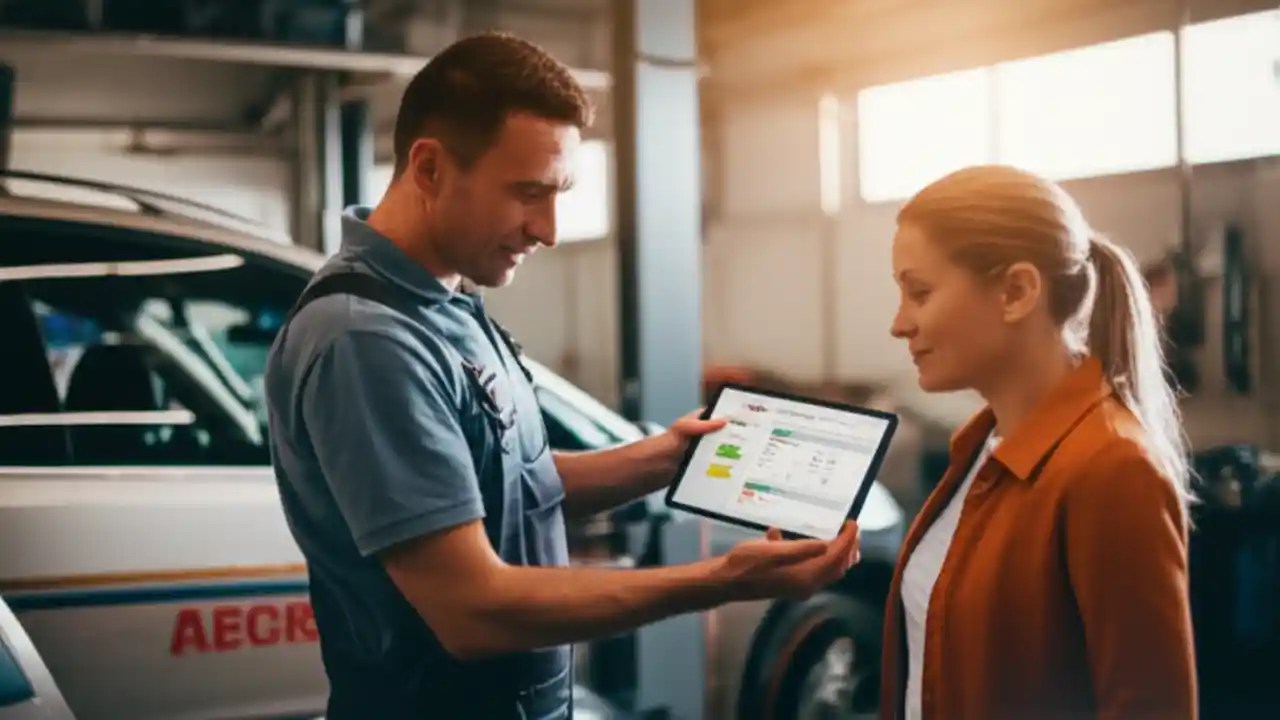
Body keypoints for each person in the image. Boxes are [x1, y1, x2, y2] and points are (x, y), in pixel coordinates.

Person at [263, 32, 860, 720]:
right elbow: (473, 611)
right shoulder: (365, 340)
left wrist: (665, 458)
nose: (547, 229)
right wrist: (721, 581)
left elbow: (505, 486)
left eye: (560, 194)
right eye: (527, 193)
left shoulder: (445, 302)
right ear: (428, 169)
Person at [881, 164, 1198, 719]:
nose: (899, 323)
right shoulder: (982, 448)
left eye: (920, 293)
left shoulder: (1112, 469)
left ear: (1017, 291)